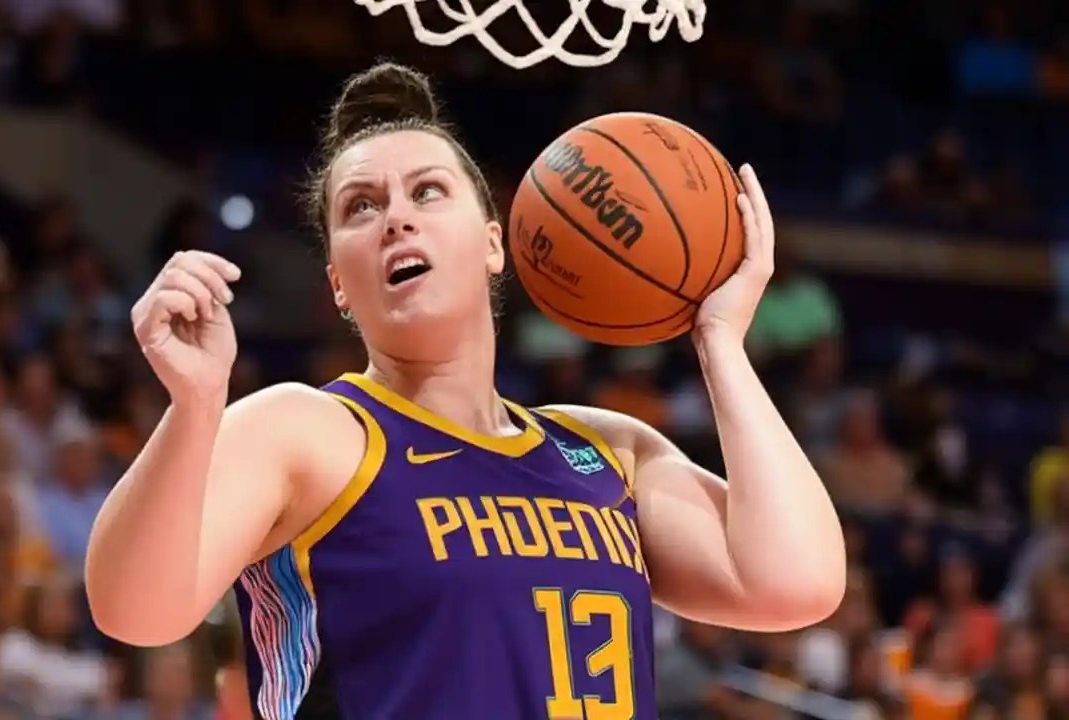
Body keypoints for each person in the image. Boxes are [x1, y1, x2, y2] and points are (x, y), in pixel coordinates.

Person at [85, 61, 846, 720]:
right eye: (362, 207)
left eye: (427, 192)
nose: (396, 221)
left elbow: (796, 583)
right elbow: (135, 610)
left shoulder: (605, 451)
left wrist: (719, 345)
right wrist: (192, 409)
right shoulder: (306, 431)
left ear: (493, 244)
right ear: (338, 286)